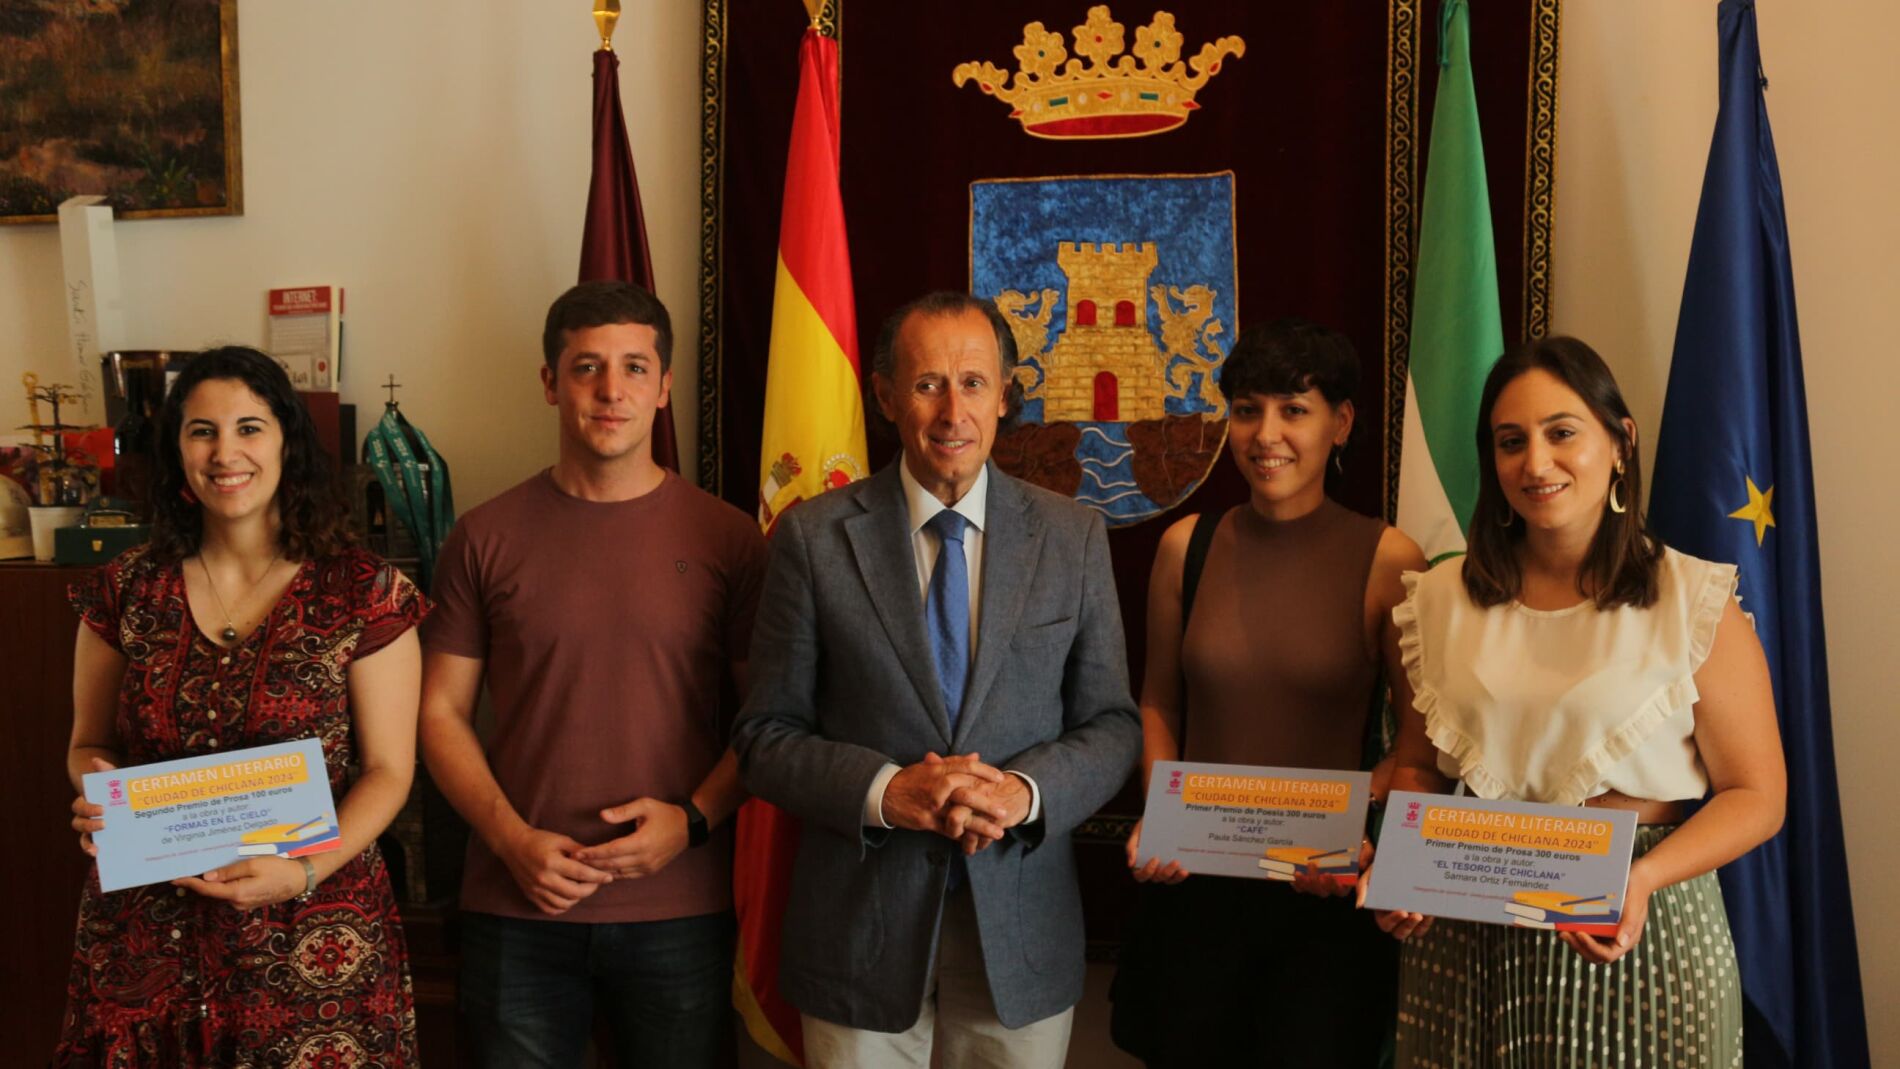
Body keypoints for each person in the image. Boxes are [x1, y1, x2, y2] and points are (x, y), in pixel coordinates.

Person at [730, 291, 1142, 1068]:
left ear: (1006, 394)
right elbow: (764, 738)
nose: (953, 410)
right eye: (927, 384)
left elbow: (1113, 724)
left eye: (975, 383)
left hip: (1019, 935)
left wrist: (1023, 794)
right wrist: (889, 790)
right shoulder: (814, 539)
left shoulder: (1072, 536)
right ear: (886, 395)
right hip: (859, 938)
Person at [1367, 336, 1786, 1066]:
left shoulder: (1693, 601)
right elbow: (1418, 768)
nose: (1535, 463)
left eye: (1562, 432)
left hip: (1639, 924)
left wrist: (1641, 877)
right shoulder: (1435, 599)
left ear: (1621, 443)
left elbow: (1758, 794)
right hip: (1469, 927)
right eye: (1510, 441)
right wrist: (1404, 870)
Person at [417, 281, 766, 1068]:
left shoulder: (730, 539)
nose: (612, 390)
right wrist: (510, 840)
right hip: (516, 904)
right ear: (550, 381)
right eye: (587, 367)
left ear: (665, 385)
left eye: (635, 367)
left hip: (681, 908)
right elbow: (440, 712)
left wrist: (695, 820)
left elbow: (769, 719)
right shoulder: (483, 536)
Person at [61, 346, 425, 1066]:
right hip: (147, 936)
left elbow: (389, 769)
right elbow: (86, 743)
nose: (225, 451)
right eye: (202, 430)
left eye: (249, 427)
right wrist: (96, 794)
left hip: (315, 931)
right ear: (176, 449)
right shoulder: (125, 588)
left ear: (286, 440)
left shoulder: (362, 590)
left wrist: (302, 870)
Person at [1107, 318, 1427, 1066]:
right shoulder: (1186, 546)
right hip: (1194, 896)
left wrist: (1352, 829)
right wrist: (1165, 817)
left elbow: (1422, 743)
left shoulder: (1389, 557)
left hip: (1321, 902)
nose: (1265, 433)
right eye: (1248, 408)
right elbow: (1159, 703)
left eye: (1294, 409)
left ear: (1341, 423)